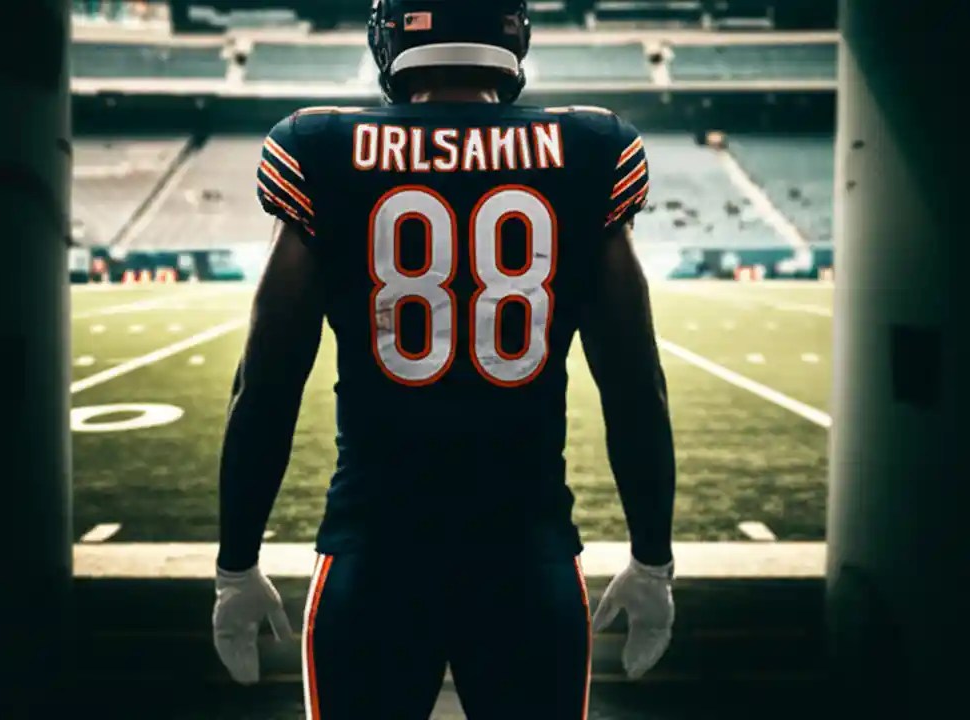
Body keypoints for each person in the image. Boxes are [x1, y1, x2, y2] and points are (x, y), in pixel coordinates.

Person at [212, 1, 677, 717]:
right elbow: (634, 383)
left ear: (392, 31)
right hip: (527, 552)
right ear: (513, 30)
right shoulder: (590, 147)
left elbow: (267, 383)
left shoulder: (319, 147)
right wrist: (652, 557)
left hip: (375, 550)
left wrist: (236, 563)